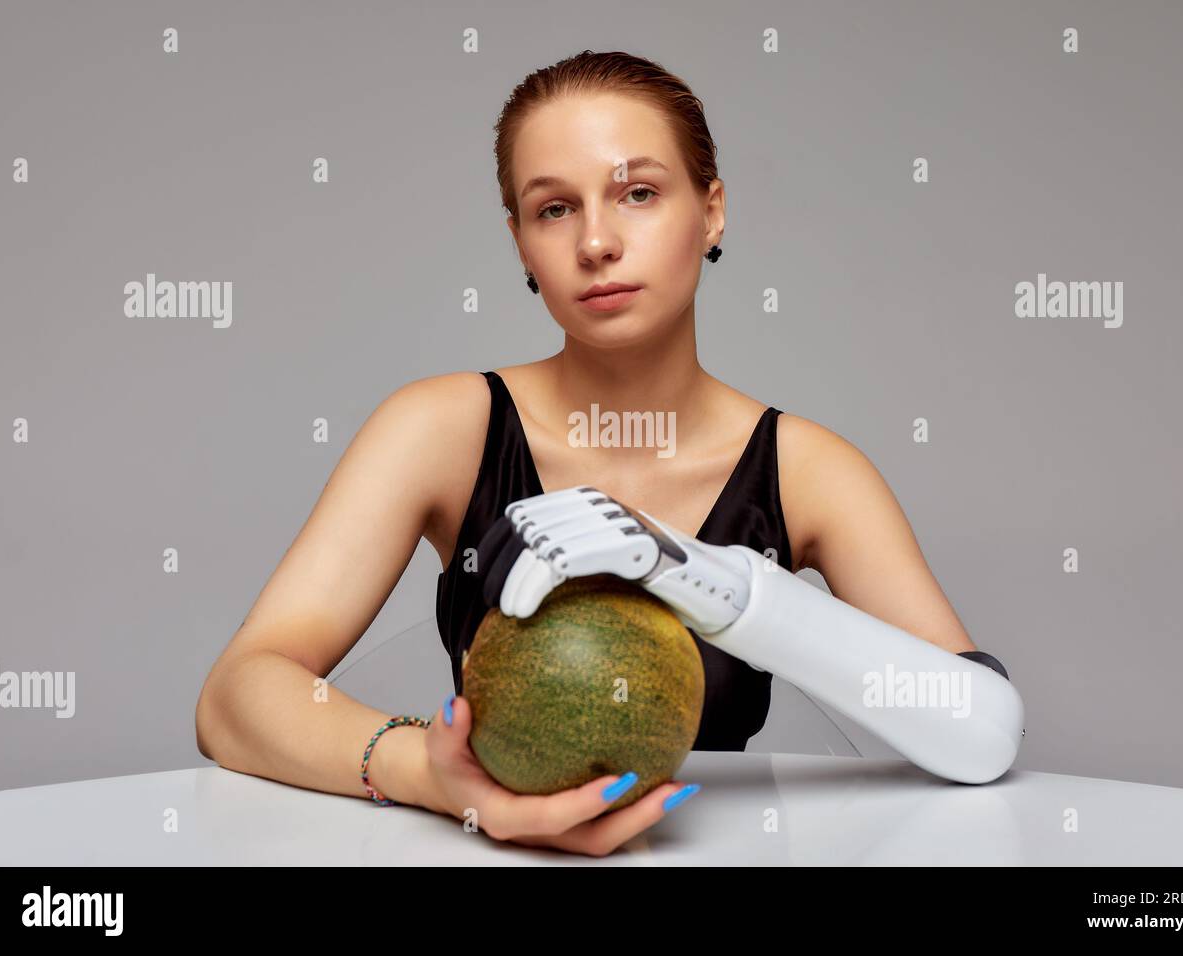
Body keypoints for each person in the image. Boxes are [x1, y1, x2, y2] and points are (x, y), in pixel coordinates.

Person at [195, 50, 1019, 859]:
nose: (596, 242)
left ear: (713, 209)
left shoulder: (808, 470)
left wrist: (696, 575)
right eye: (553, 209)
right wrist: (434, 777)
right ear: (520, 242)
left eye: (638, 193)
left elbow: (982, 731)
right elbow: (236, 695)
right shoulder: (443, 428)